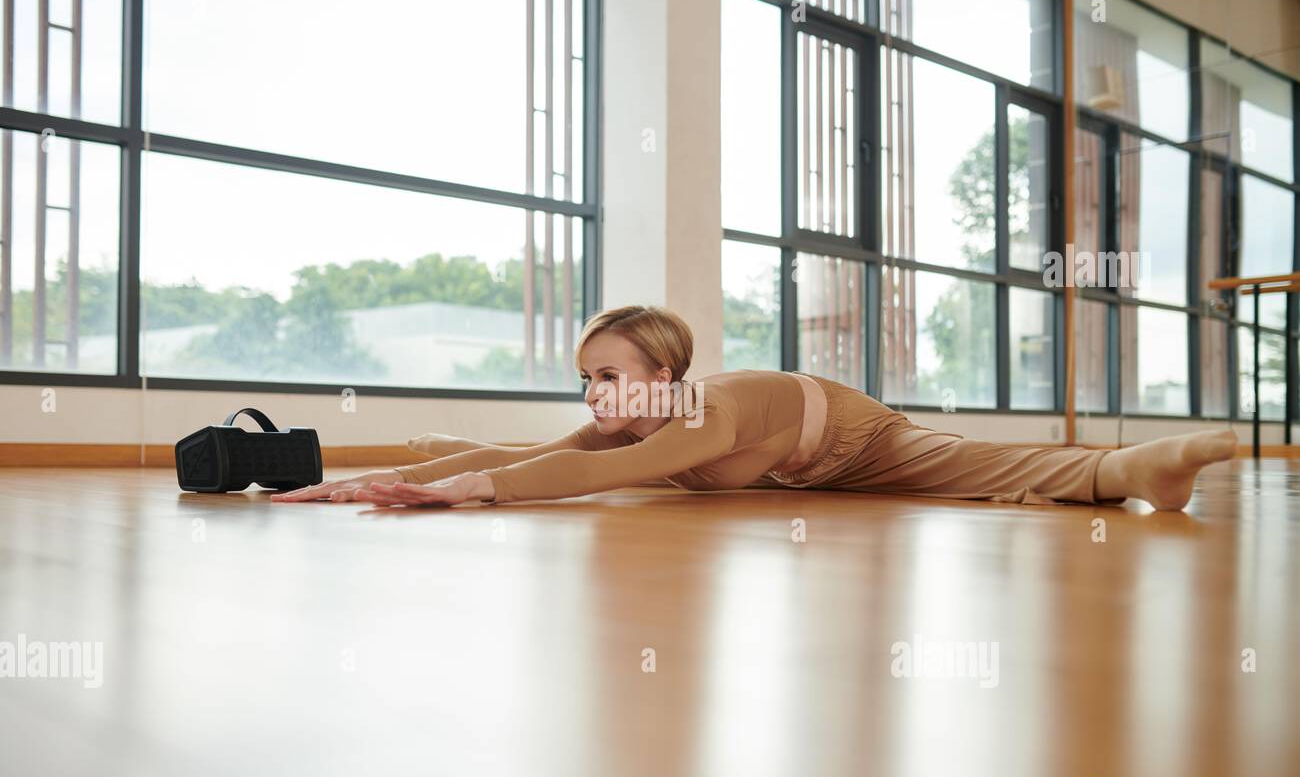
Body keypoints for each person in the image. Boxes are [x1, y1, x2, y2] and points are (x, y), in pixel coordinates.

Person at [272, 305, 1238, 511]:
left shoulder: (703, 414)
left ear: (665, 372)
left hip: (852, 435)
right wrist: (365, 482)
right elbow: (556, 451)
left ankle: (1141, 466)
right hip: (792, 466)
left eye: (610, 375)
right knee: (527, 450)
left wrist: (461, 491)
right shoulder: (623, 422)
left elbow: (584, 476)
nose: (594, 396)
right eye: (587, 377)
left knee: (989, 472)